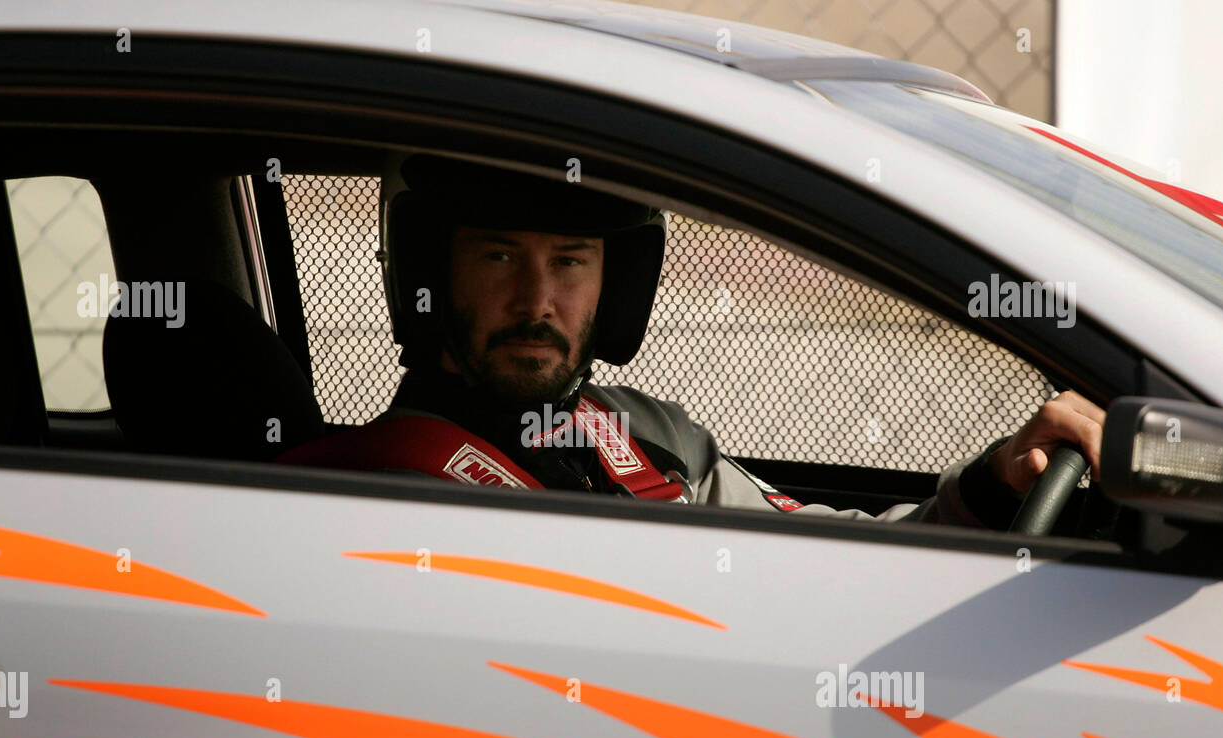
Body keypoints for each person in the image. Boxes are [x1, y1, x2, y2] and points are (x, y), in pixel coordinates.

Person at [279, 154, 1105, 528]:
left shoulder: (649, 439)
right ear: (431, 273)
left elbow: (844, 564)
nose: (537, 300)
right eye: (498, 256)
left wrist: (997, 487)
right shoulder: (370, 488)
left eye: (570, 261)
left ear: (616, 283)